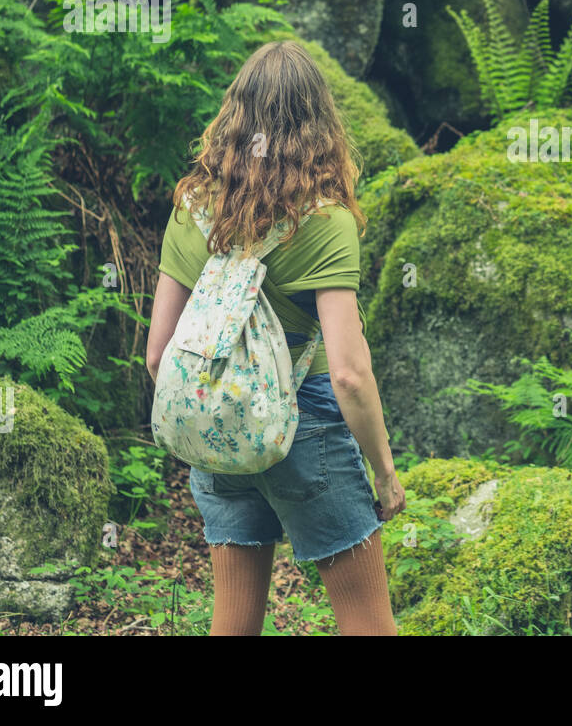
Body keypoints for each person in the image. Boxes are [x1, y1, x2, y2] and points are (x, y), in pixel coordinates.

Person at [145, 39, 404, 635]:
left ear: (233, 118)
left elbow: (158, 354)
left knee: (233, 627)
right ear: (319, 125)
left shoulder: (191, 207)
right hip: (304, 428)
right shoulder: (326, 220)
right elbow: (347, 373)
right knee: (369, 626)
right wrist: (384, 473)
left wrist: (219, 408)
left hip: (214, 423)